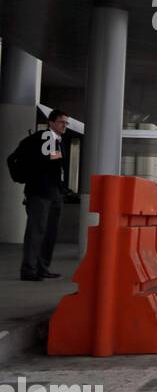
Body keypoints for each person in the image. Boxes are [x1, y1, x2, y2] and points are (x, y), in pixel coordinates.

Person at [16, 109, 70, 281]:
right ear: (51, 122)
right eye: (62, 122)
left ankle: (41, 267)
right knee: (37, 230)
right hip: (41, 192)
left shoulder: (57, 140)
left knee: (49, 231)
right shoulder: (47, 137)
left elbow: (53, 165)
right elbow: (49, 164)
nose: (65, 125)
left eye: (66, 123)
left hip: (53, 191)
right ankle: (29, 269)